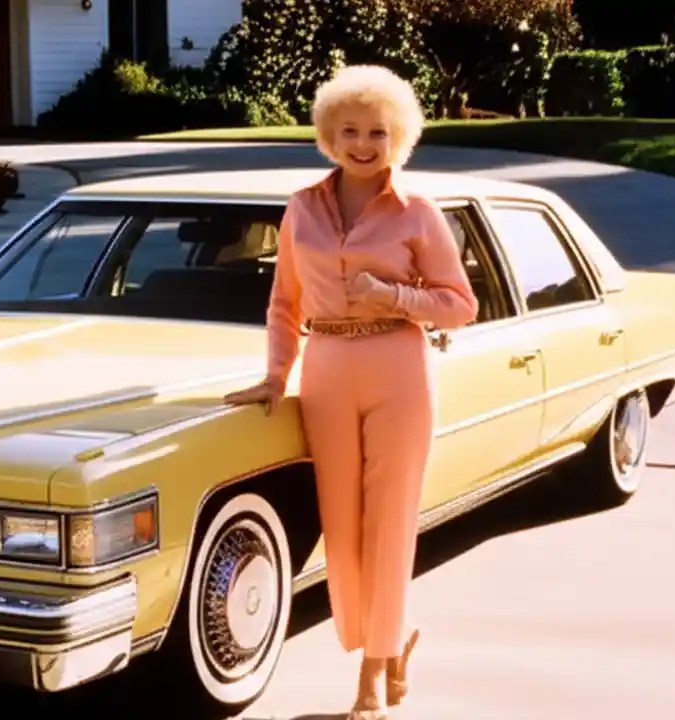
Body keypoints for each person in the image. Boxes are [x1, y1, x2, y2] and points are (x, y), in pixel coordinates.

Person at [224, 64, 478, 719]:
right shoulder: (301, 207)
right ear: (328, 134)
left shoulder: (417, 213)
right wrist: (276, 377)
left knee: (390, 524)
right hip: (327, 371)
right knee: (343, 528)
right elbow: (284, 304)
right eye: (350, 130)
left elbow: (460, 305)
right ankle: (391, 640)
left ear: (399, 137)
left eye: (377, 131)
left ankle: (370, 680)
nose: (363, 143)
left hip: (398, 366)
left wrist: (391, 294)